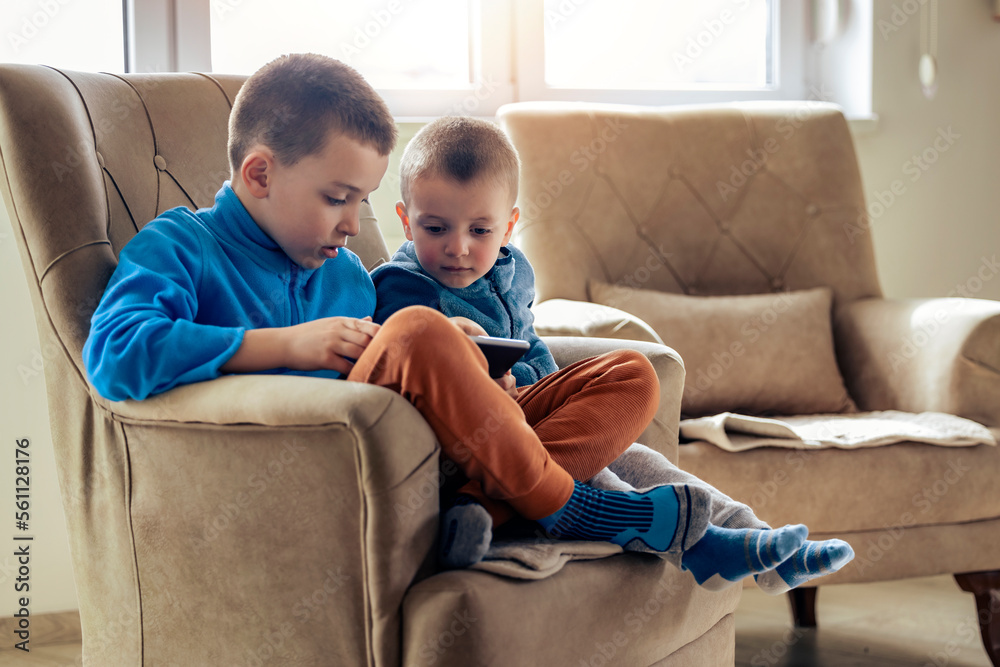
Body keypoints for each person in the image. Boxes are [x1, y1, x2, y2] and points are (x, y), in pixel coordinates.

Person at [371, 115, 854, 592]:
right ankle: (704, 544)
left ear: (510, 226)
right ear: (405, 221)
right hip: (475, 434)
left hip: (535, 417)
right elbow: (417, 365)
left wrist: (570, 406)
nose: (458, 247)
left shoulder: (515, 271)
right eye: (435, 229)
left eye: (480, 230)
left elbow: (533, 344)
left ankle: (761, 539)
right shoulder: (401, 284)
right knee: (601, 471)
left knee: (635, 386)